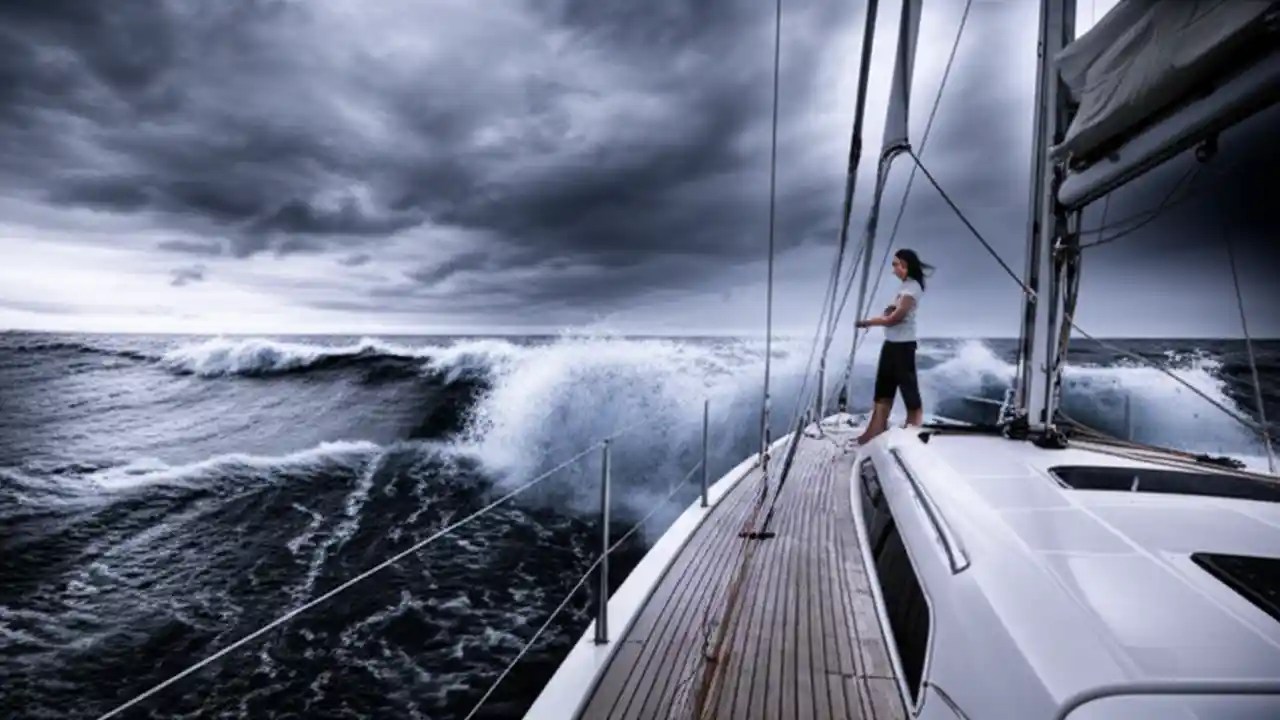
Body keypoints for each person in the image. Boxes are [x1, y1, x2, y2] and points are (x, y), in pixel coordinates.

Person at [854, 249, 931, 444]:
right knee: (883, 389)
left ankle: (913, 431)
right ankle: (876, 429)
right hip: (891, 345)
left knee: (908, 390)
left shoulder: (912, 288)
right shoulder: (904, 287)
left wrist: (869, 322)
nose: (893, 268)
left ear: (905, 265)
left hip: (903, 347)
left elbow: (896, 318)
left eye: (896, 264)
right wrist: (889, 311)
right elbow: (894, 312)